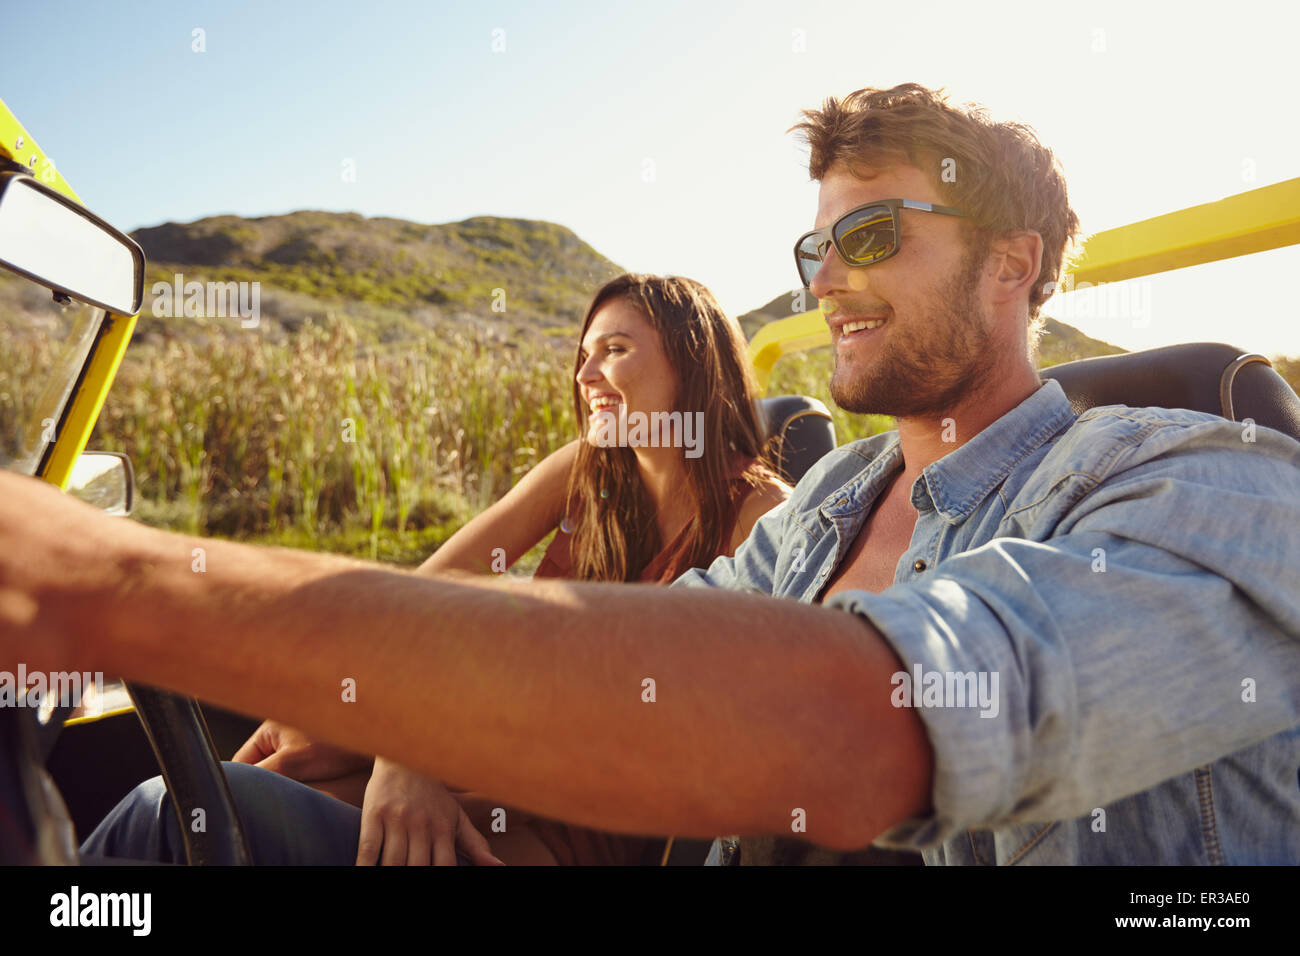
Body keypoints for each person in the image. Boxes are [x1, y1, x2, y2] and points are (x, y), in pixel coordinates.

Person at [5, 83, 1300, 866]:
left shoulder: (1201, 483)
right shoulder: (836, 512)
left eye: (870, 234)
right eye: (814, 253)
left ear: (1014, 262)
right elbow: (616, 647)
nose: (831, 278)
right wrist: (403, 724)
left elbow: (863, 724)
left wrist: (115, 584)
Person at [78, 273, 789, 866]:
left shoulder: (762, 518)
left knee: (170, 815)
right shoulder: (584, 472)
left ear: (691, 361)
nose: (586, 375)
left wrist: (424, 757)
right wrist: (401, 750)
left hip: (574, 825)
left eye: (615, 349)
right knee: (295, 736)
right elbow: (417, 597)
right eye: (583, 353)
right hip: (494, 766)